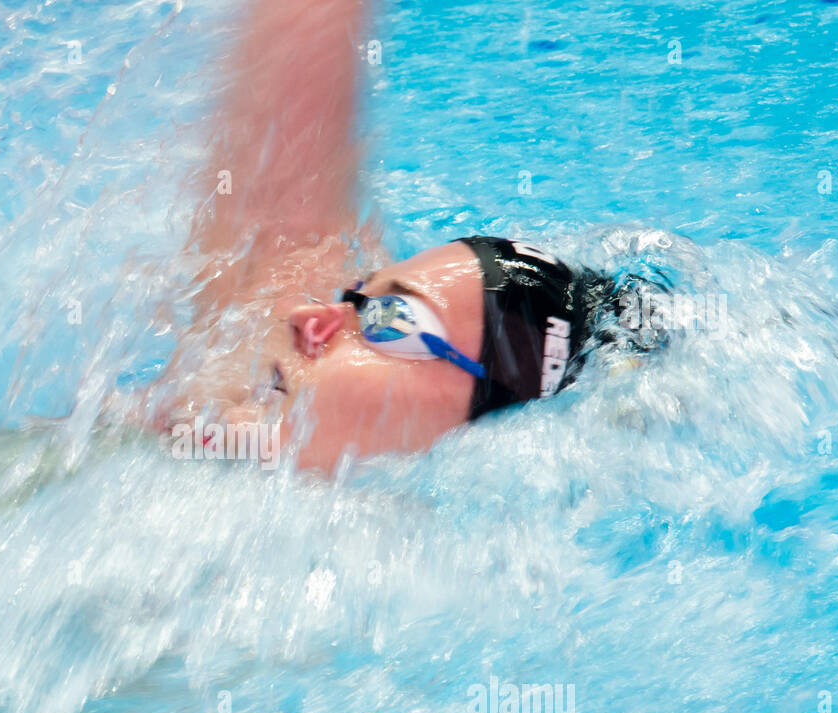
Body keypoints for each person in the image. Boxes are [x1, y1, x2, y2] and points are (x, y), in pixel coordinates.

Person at [144, 0, 640, 473]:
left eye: (394, 320)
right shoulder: (197, 406)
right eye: (354, 297)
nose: (306, 318)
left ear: (494, 436)